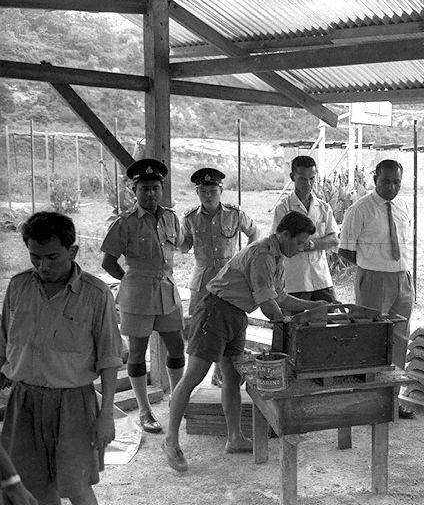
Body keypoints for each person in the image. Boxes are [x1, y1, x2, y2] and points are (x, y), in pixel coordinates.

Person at [162, 211, 329, 472]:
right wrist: (290, 322)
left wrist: (315, 305)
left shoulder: (277, 257)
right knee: (193, 376)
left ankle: (234, 437)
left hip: (236, 314)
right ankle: (170, 440)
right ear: (285, 235)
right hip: (214, 312)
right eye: (299, 242)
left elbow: (281, 297)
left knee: (232, 378)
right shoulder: (262, 254)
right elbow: (268, 306)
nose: (301, 248)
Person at [0, 212, 122, 505]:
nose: (43, 266)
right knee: (31, 487)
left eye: (52, 257)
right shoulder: (18, 287)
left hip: (74, 405)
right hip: (24, 401)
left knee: (76, 485)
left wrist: (106, 415)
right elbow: (5, 344)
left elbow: (109, 357)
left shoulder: (96, 294)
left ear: (73, 251)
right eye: (35, 257)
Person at [101, 158, 186, 434]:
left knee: (176, 347)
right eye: (145, 188)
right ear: (134, 191)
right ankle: (145, 411)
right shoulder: (124, 223)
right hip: (137, 294)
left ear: (162, 189)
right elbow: (108, 262)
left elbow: (179, 248)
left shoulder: (171, 218)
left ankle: (177, 399)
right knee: (137, 353)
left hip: (167, 291)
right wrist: (130, 281)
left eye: (155, 188)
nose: (150, 194)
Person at [339, 159, 416, 419]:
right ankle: (367, 400)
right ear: (375, 179)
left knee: (399, 338)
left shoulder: (403, 206)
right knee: (369, 338)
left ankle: (392, 399)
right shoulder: (359, 209)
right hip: (373, 279)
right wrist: (371, 267)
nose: (391, 187)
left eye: (396, 182)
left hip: (402, 280)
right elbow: (345, 250)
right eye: (386, 181)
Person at [180, 167, 259, 386]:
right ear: (197, 192)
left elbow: (254, 232)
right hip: (202, 277)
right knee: (198, 324)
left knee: (227, 322)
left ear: (221, 190)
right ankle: (193, 373)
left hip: (228, 278)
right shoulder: (189, 218)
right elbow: (184, 245)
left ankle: (220, 372)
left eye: (212, 190)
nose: (208, 195)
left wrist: (246, 257)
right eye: (203, 191)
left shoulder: (234, 214)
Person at [271, 155, 339, 308]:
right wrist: (321, 242)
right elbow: (279, 242)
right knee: (294, 325)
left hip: (321, 278)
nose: (308, 184)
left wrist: (311, 244)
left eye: (312, 179)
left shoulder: (323, 207)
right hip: (295, 280)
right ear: (292, 177)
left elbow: (334, 239)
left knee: (330, 321)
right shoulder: (283, 208)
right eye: (302, 179)